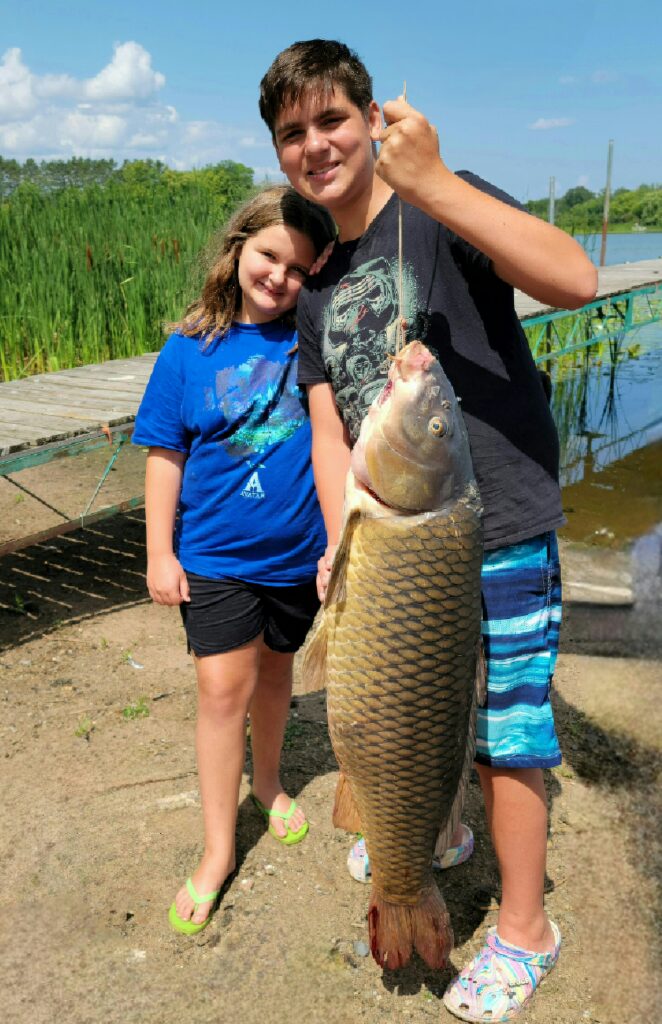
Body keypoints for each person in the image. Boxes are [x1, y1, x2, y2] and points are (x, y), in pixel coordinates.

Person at [258, 40, 597, 1021]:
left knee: (508, 729)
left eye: (331, 119)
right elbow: (328, 430)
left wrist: (437, 181)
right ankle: (427, 827)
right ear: (279, 153)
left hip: (498, 523)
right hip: (381, 542)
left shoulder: (444, 207)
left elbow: (572, 277)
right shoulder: (317, 287)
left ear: (372, 116)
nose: (315, 144)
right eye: (292, 133)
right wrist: (336, 540)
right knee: (383, 713)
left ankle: (525, 928)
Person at [132, 185, 335, 935]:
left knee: (275, 674)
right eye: (268, 255)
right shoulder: (188, 348)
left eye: (298, 267)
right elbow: (163, 454)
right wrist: (160, 552)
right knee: (223, 691)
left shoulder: (310, 345)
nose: (279, 276)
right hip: (213, 557)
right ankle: (218, 850)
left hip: (296, 558)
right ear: (238, 250)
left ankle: (271, 782)